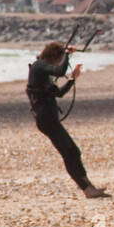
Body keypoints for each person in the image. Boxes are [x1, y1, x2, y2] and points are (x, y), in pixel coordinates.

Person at [26, 41, 108, 198]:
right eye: (59, 58)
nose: (59, 61)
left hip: (50, 119)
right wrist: (67, 55)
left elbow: (59, 93)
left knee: (73, 151)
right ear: (55, 56)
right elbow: (59, 70)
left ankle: (87, 185)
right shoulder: (39, 66)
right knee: (68, 153)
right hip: (46, 119)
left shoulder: (43, 72)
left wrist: (72, 79)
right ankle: (87, 189)